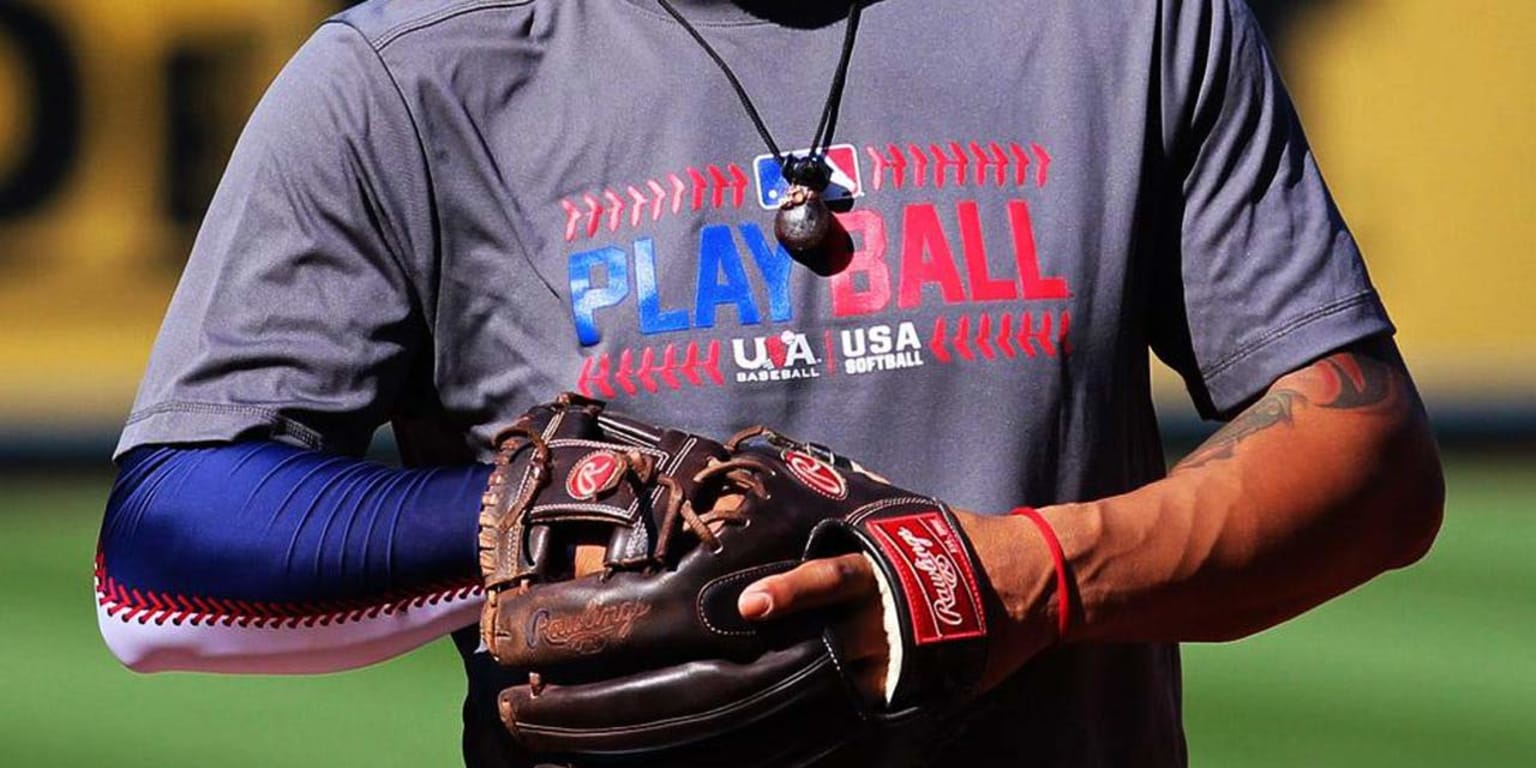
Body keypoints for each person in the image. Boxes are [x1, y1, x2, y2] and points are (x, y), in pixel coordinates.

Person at [95, 0, 1444, 765]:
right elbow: (167, 541)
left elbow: (1365, 462)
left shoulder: (1123, 20)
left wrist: (1000, 577)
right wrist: (553, 517)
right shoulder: (410, 72)